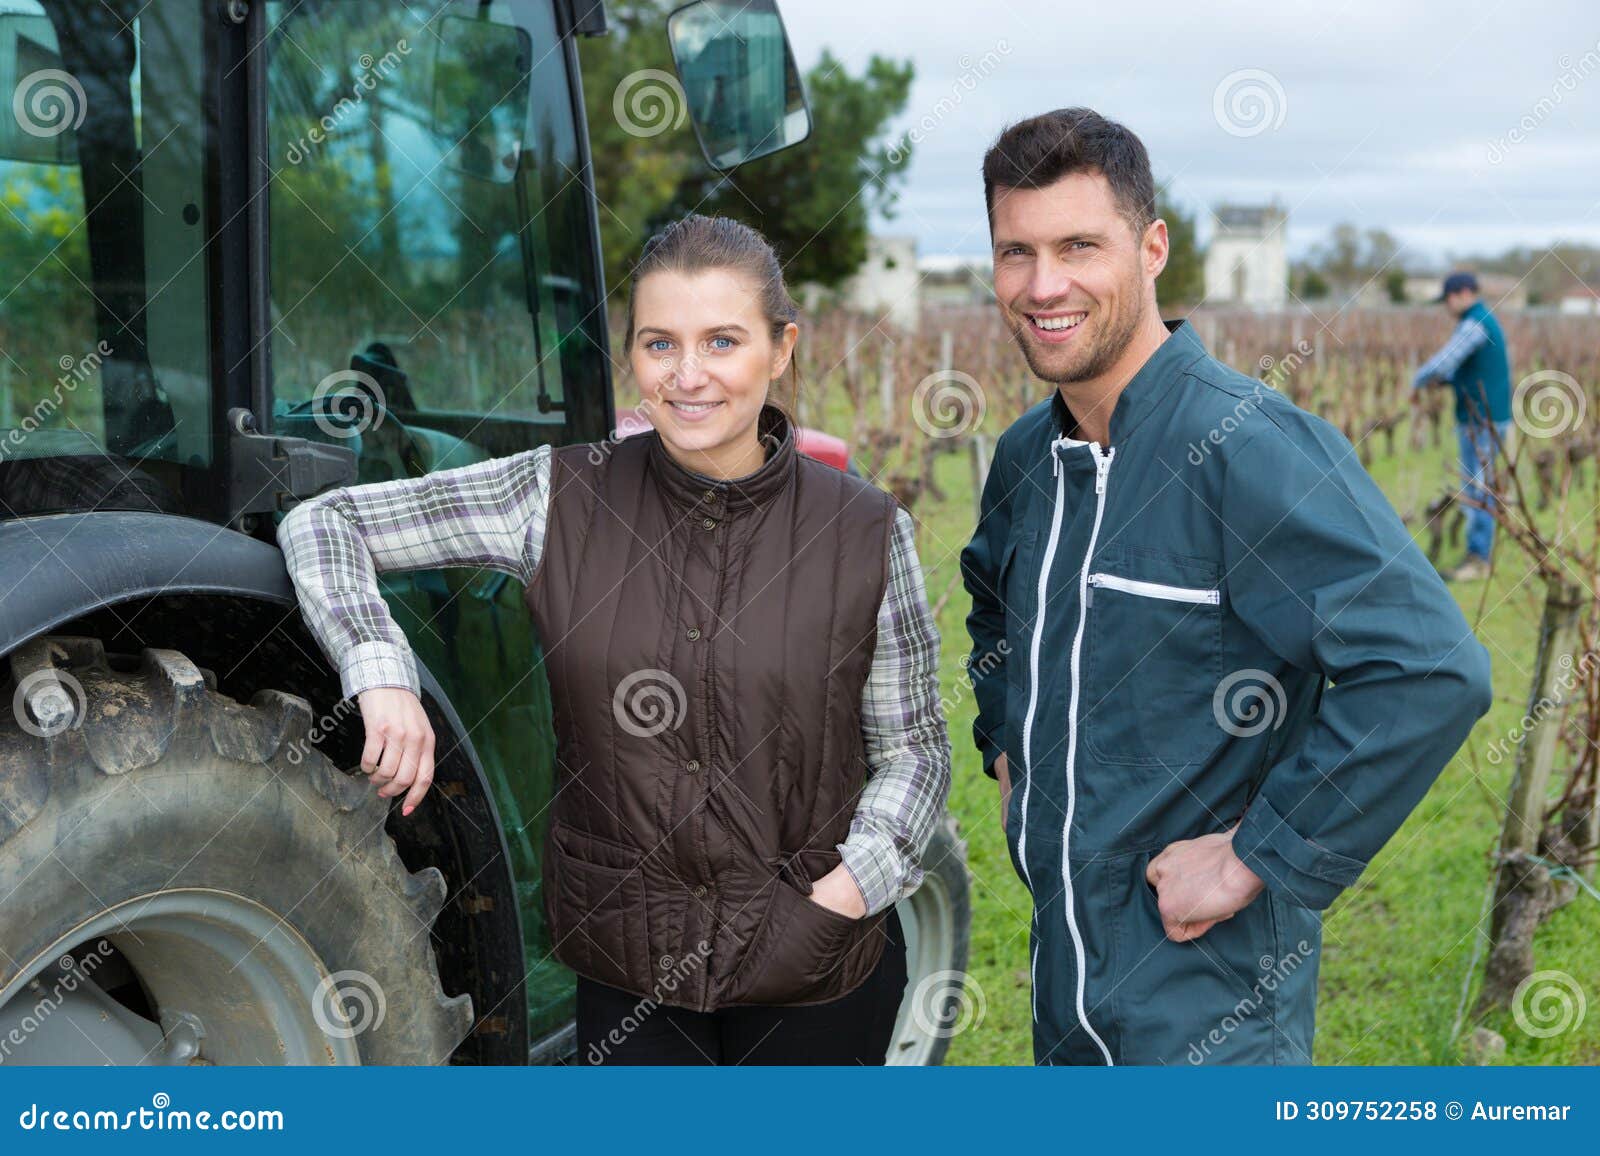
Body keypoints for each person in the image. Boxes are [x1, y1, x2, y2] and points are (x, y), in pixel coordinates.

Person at [278, 213, 950, 1065]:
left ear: (781, 350)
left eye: (722, 342)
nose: (689, 376)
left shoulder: (864, 530)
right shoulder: (556, 498)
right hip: (634, 973)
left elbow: (915, 752)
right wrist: (380, 671)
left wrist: (852, 890)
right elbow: (324, 521)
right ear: (631, 356)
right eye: (660, 345)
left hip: (816, 965)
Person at [960, 108, 1493, 1065]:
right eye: (1016, 252)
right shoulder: (1028, 459)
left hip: (1209, 1020)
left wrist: (1257, 856)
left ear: (1152, 246)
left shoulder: (1247, 449)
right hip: (1063, 999)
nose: (1045, 286)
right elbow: (991, 599)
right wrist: (1005, 740)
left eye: (1080, 245)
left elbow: (1428, 668)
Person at [1411, 270, 1514, 582]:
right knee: (1478, 486)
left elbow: (1445, 361)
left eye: (1449, 299)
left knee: (1478, 489)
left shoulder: (1475, 323)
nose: (1447, 306)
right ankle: (1478, 552)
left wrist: (1418, 381)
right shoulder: (1481, 320)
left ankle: (1478, 558)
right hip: (1483, 417)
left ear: (1463, 294)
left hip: (1481, 420)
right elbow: (1462, 370)